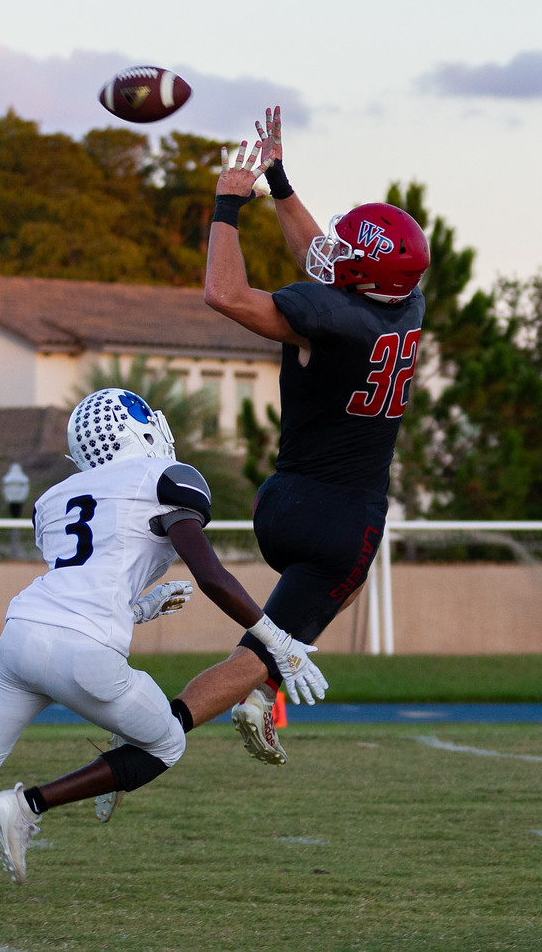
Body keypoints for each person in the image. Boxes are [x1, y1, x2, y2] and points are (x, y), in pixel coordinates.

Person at [0, 387, 328, 917]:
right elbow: (212, 576)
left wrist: (140, 608)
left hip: (20, 636)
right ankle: (29, 803)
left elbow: (83, 579)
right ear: (138, 430)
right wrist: (277, 639)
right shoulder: (169, 478)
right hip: (82, 652)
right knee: (165, 745)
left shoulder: (53, 499)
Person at [173, 107, 430, 766]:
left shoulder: (332, 315)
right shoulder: (404, 305)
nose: (333, 251)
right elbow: (289, 269)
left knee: (269, 648)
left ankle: (261, 695)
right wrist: (276, 188)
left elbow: (238, 289)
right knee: (266, 652)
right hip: (343, 521)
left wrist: (229, 205)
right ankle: (159, 731)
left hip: (280, 503)